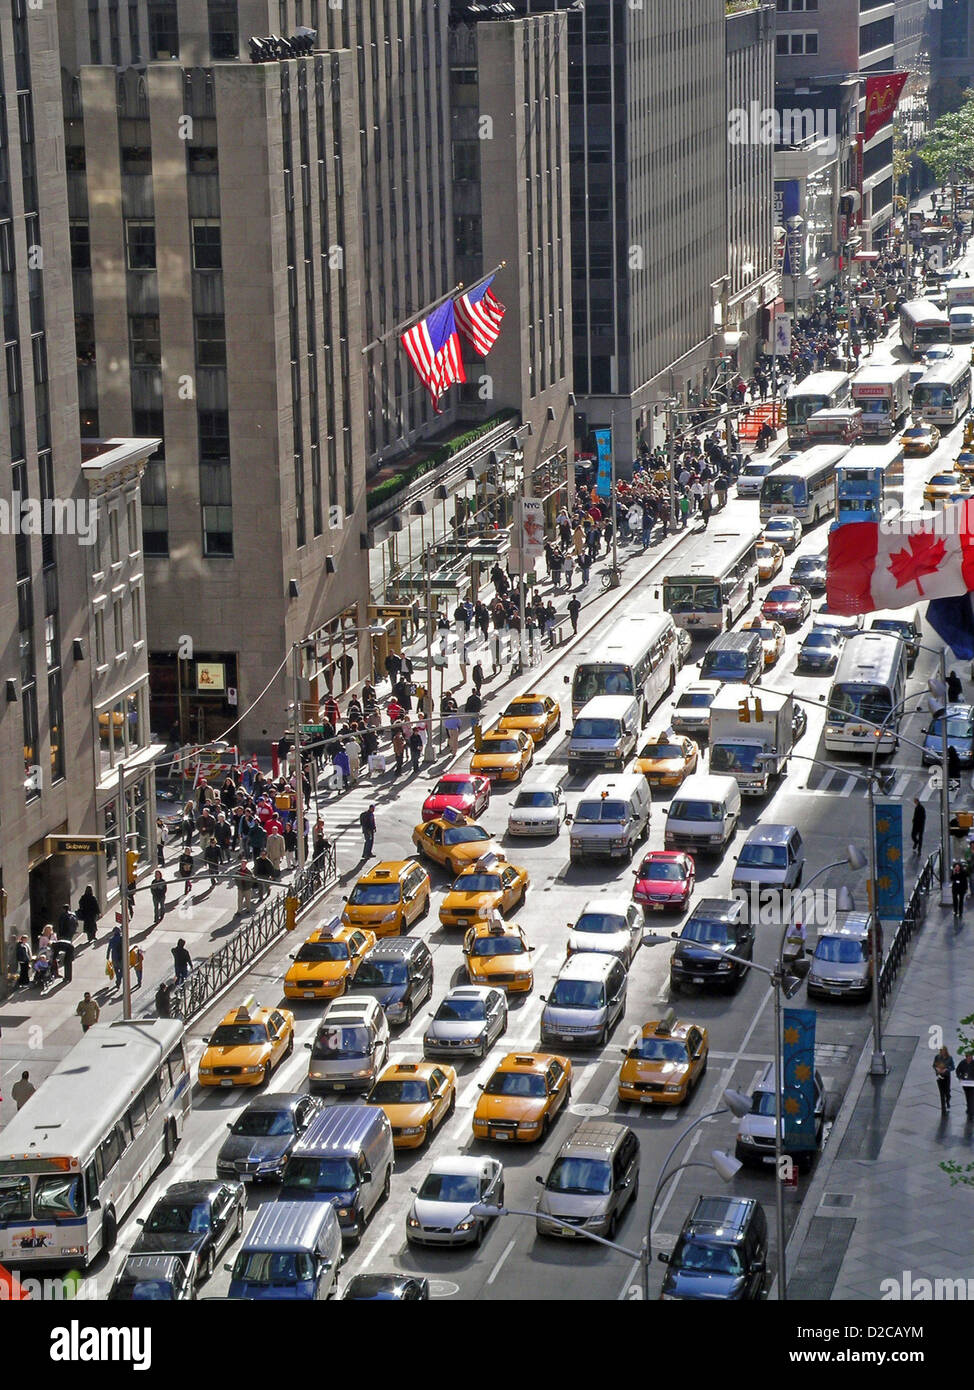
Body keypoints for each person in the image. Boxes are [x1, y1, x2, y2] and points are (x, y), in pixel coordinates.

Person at [934, 1045, 955, 1115]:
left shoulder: (949, 1058)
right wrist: (937, 1069)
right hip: (940, 1076)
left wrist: (946, 1069)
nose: (942, 1052)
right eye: (941, 1051)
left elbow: (953, 1067)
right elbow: (934, 1065)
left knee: (947, 1091)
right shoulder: (937, 1057)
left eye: (943, 1051)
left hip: (946, 1076)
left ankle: (948, 1100)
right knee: (941, 1093)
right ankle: (943, 1109)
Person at [956, 1050, 974, 1119]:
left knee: (972, 1097)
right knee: (967, 1096)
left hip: (972, 1083)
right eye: (969, 1057)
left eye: (971, 1057)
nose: (970, 1058)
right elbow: (958, 1070)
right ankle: (969, 1107)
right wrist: (960, 1077)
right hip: (965, 1083)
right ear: (966, 1057)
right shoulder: (962, 1063)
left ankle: (971, 1112)